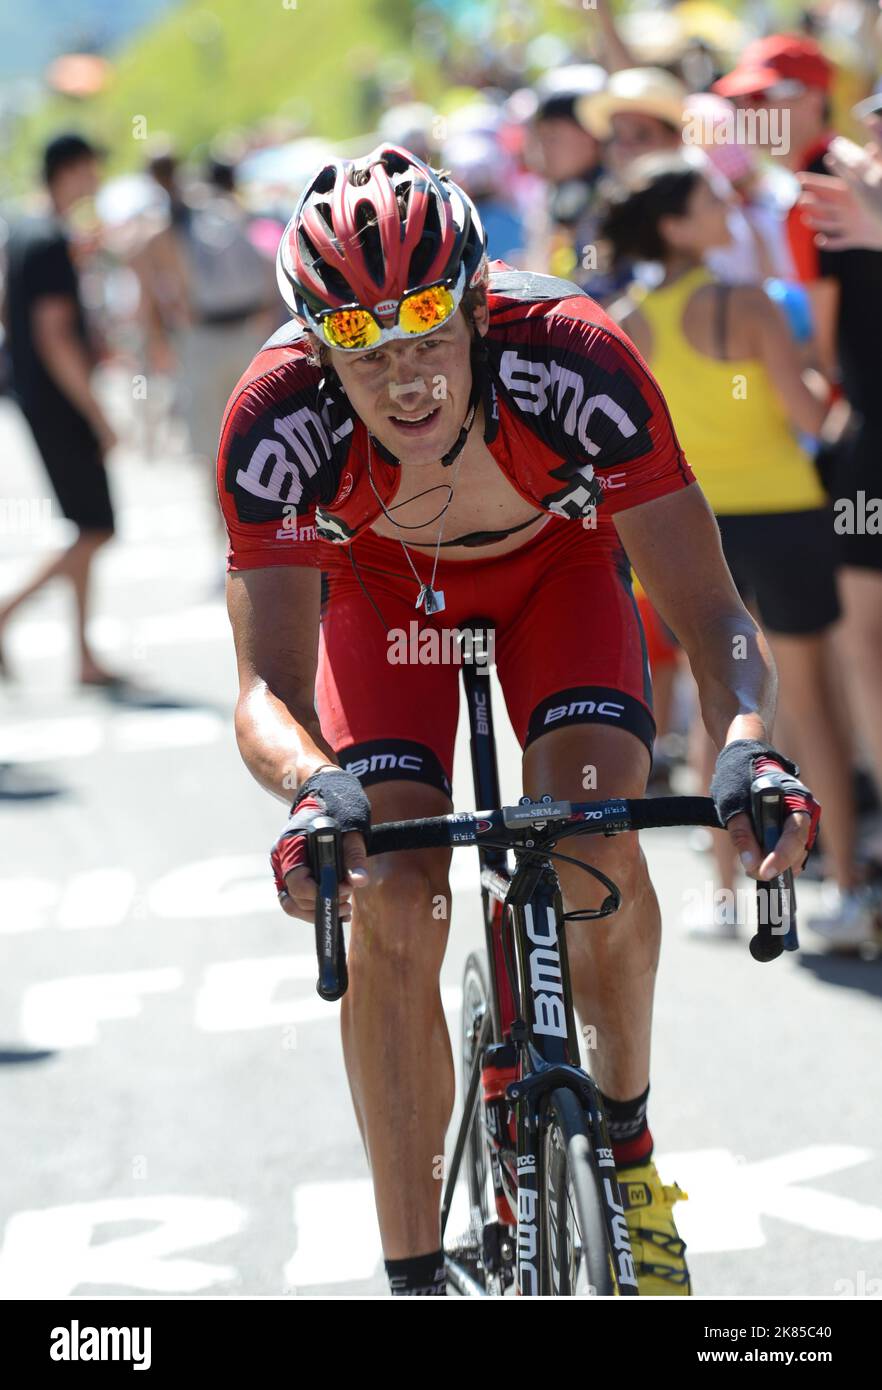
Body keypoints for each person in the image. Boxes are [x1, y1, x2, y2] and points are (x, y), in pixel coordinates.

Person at [218, 145, 819, 1295]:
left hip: (558, 571)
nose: (404, 380)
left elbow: (712, 614)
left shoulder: (573, 355)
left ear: (478, 308)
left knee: (595, 833)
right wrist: (310, 786)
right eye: (363, 349)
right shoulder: (274, 417)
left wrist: (750, 742)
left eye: (427, 334)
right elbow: (267, 688)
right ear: (317, 349)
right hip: (383, 597)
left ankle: (630, 1157)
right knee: (394, 891)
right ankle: (413, 1272)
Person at [601, 154, 872, 941]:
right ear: (676, 225)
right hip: (785, 515)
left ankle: (723, 896)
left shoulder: (625, 321)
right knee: (810, 704)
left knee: (717, 701)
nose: (727, 205)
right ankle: (847, 888)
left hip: (691, 528)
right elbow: (810, 414)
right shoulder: (747, 303)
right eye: (709, 198)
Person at [717, 35, 882, 947]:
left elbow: (817, 350)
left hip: (866, 443)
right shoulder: (829, 180)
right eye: (744, 104)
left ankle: (865, 874)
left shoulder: (819, 189)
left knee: (866, 657)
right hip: (861, 440)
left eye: (769, 97)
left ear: (816, 97)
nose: (755, 118)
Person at [0, 132, 122, 686]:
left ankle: (83, 654)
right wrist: (98, 414)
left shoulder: (28, 231)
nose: (96, 178)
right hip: (60, 402)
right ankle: (7, 612)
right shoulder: (48, 239)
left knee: (85, 526)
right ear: (70, 169)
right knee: (96, 528)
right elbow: (54, 336)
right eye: (91, 167)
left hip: (38, 396)